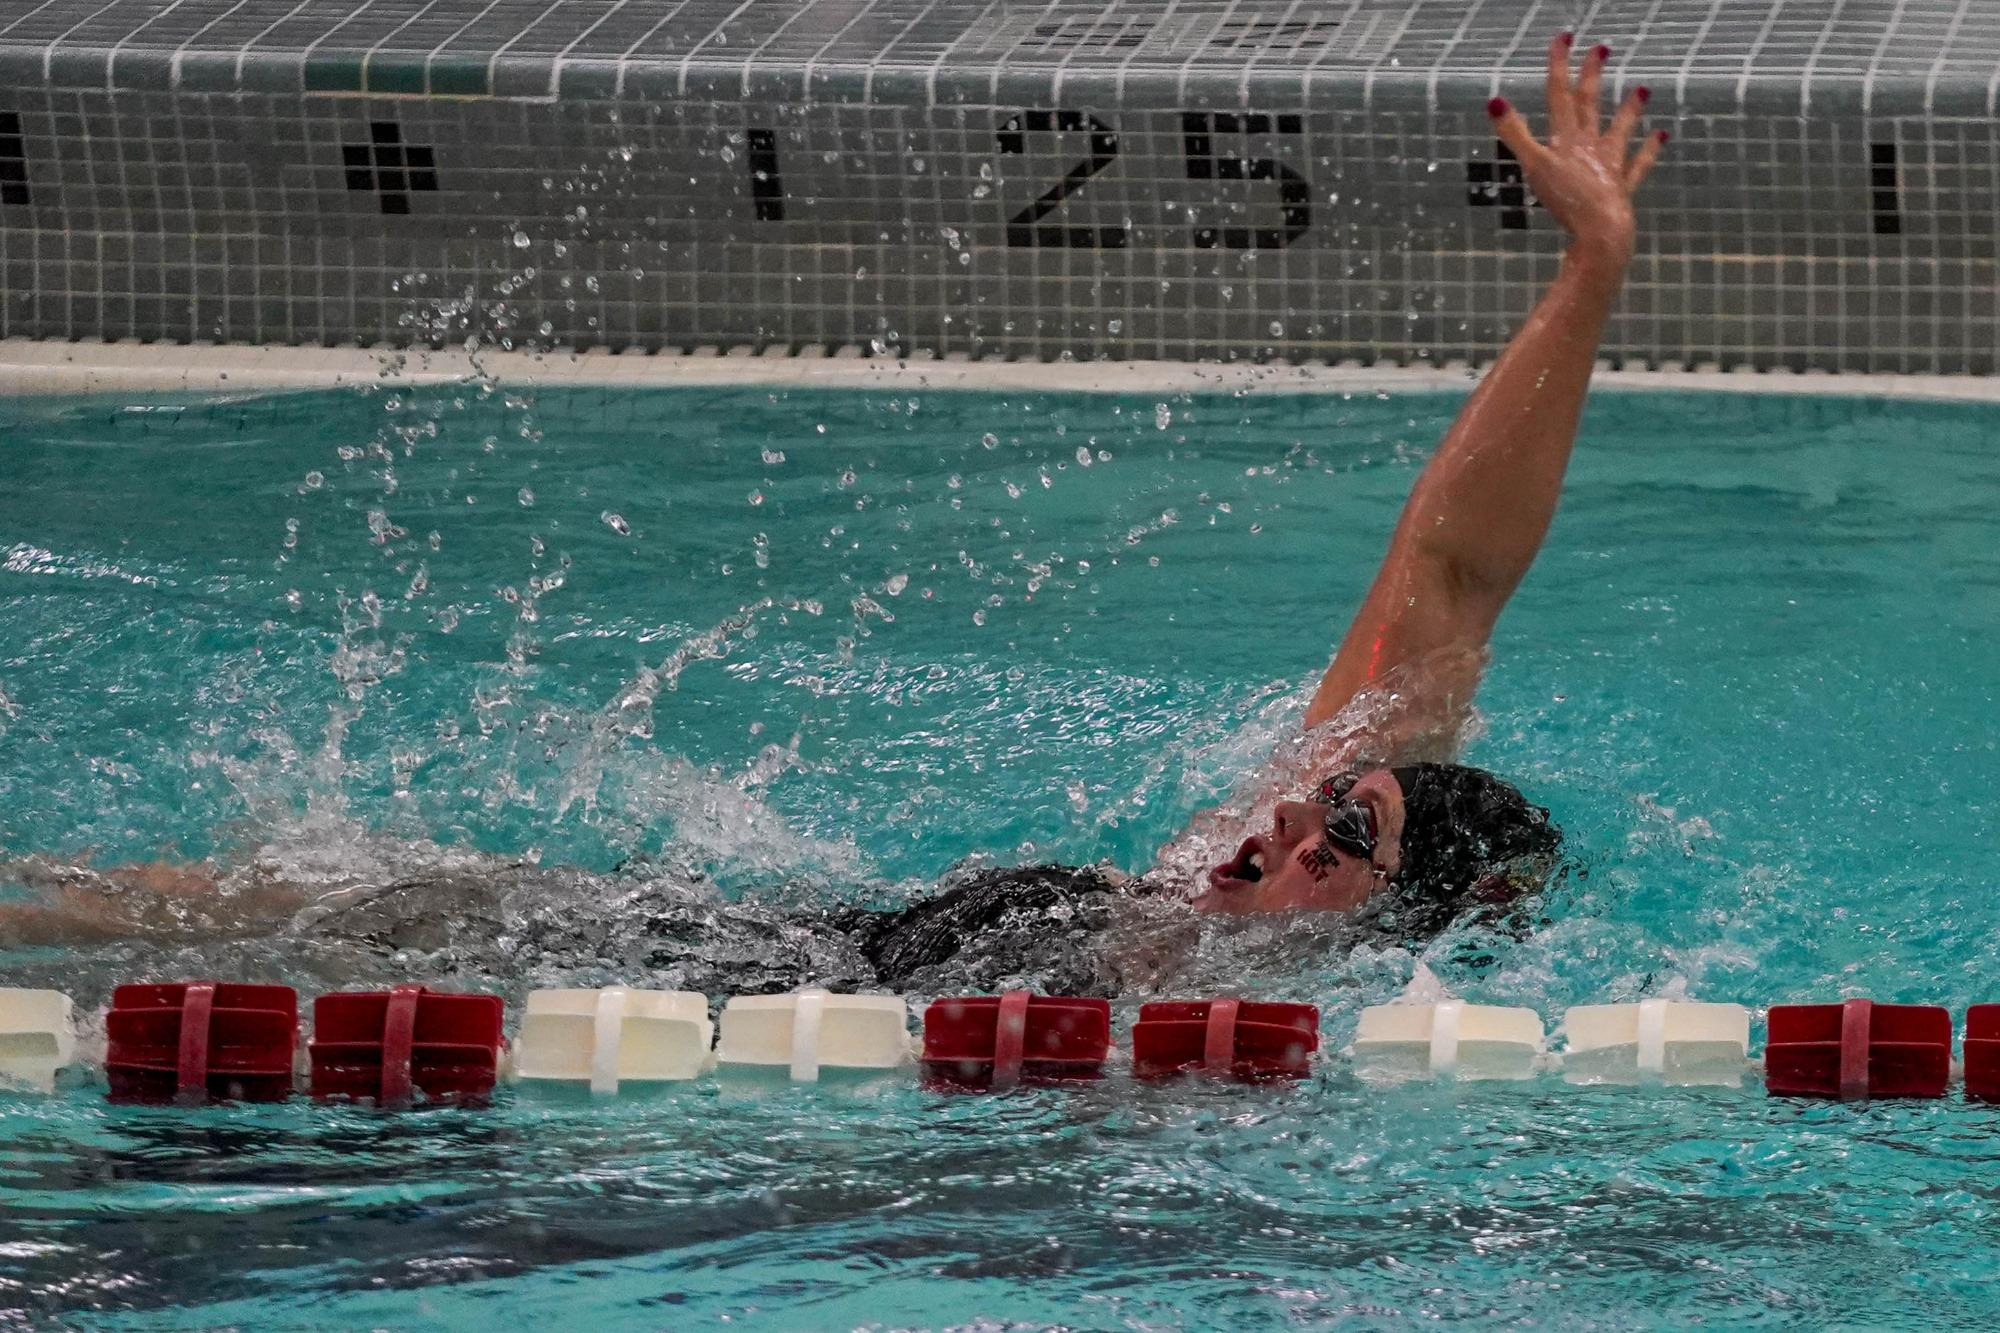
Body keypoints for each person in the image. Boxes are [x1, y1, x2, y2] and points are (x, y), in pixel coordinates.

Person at [0, 37, 1664, 993]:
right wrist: (1593, 276)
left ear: (1408, 929)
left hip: (750, 1039)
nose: (1288, 823)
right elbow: (1447, 572)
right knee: (291, 900)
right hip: (746, 950)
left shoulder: (1263, 1027)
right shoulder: (1215, 891)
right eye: (1327, 806)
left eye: (1340, 841)